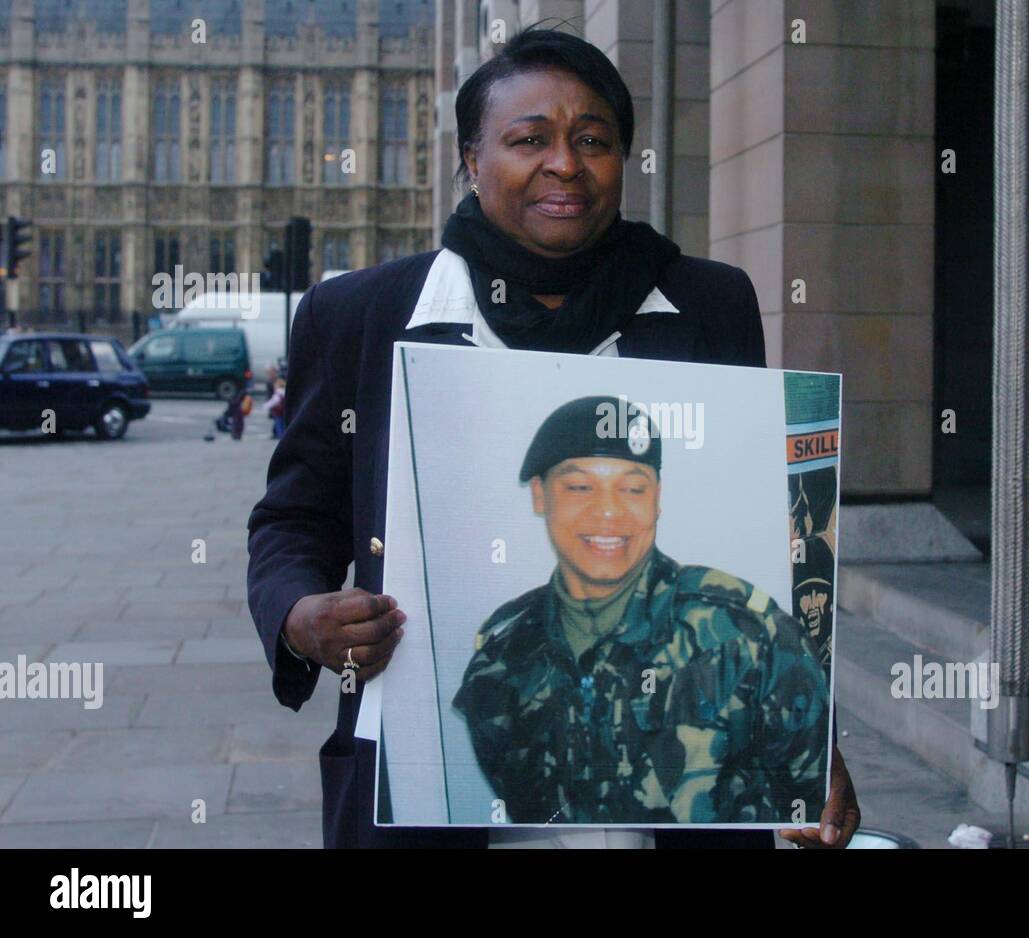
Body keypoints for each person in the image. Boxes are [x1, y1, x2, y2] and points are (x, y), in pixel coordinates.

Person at [247, 25, 858, 849]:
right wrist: (299, 615)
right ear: (470, 159)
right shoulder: (360, 316)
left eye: (594, 141)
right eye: (529, 139)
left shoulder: (712, 305)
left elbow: (768, 546)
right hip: (430, 808)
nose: (565, 164)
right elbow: (293, 522)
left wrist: (804, 740)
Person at [453, 396, 830, 825]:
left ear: (658, 498)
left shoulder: (749, 635)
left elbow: (810, 804)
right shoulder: (501, 664)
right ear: (540, 495)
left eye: (633, 488)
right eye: (580, 487)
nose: (609, 511)